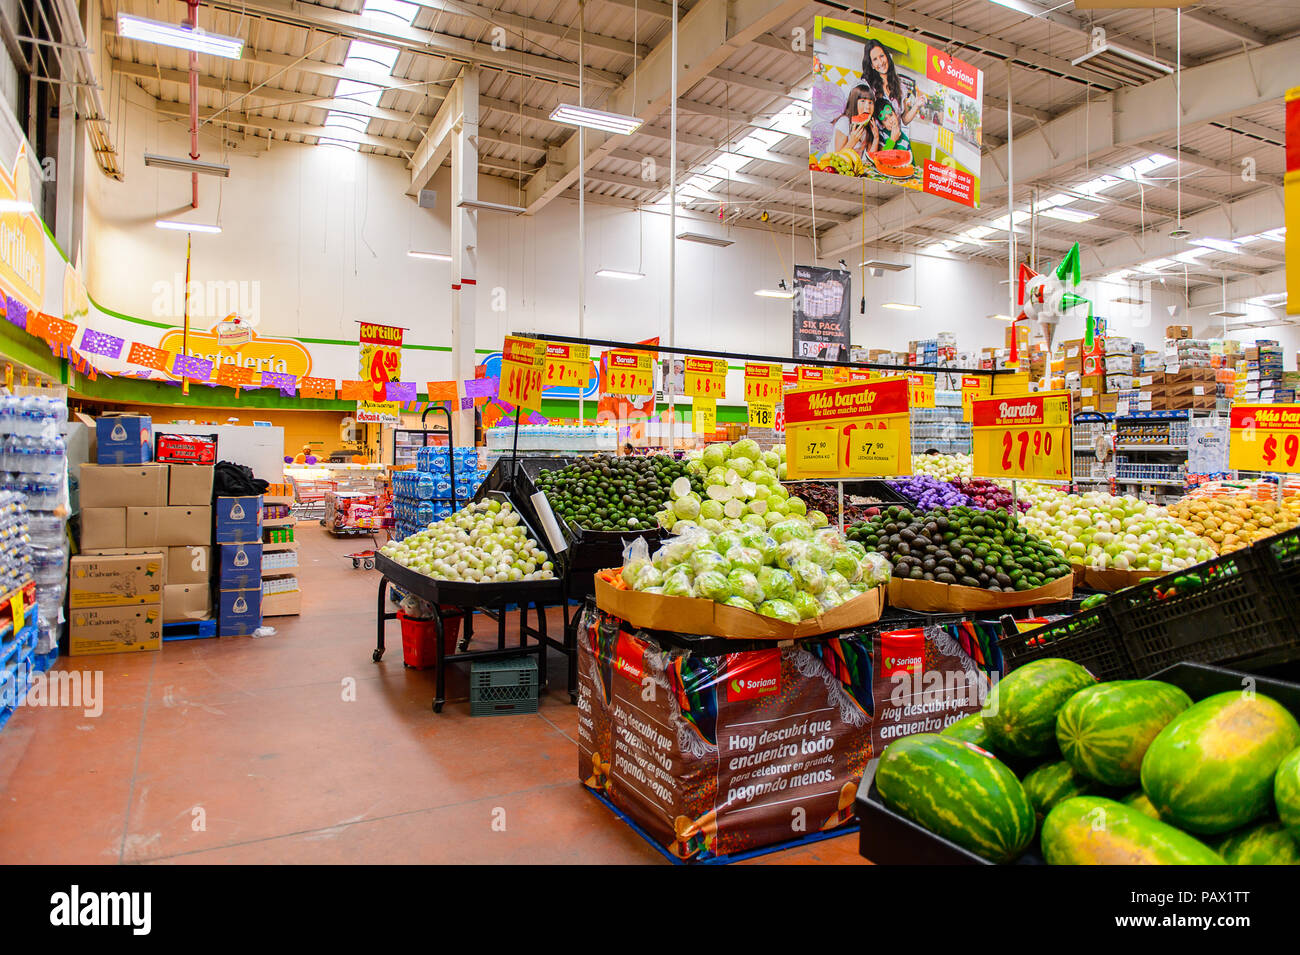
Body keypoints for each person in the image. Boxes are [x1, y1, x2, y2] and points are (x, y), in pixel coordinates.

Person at [862, 39, 920, 128]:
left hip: (895, 139)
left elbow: (905, 119)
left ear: (887, 57)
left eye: (881, 56)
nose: (880, 62)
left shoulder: (900, 86)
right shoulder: (868, 86)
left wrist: (917, 105)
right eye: (875, 59)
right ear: (872, 65)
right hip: (875, 140)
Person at [832, 85, 879, 159]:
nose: (867, 107)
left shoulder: (868, 126)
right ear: (854, 102)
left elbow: (870, 158)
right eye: (863, 101)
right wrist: (852, 141)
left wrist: (876, 138)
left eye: (870, 102)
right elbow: (837, 158)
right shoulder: (844, 122)